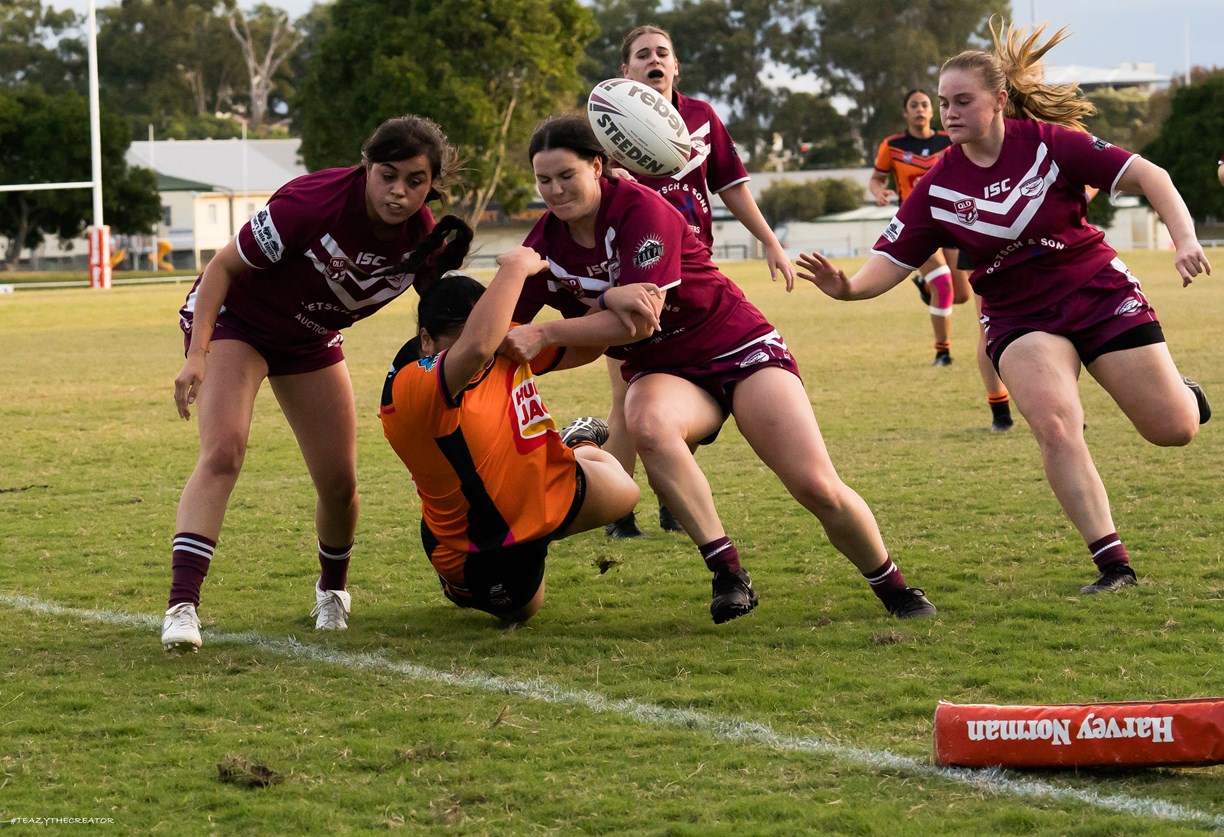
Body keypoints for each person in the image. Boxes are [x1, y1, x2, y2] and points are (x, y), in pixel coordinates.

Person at [797, 19, 1212, 596]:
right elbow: (885, 267)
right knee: (1057, 427)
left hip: (1096, 291)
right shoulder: (937, 187)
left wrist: (1186, 239)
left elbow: (1150, 175)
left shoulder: (1048, 141)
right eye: (944, 102)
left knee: (1174, 430)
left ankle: (1183, 393)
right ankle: (1113, 564)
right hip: (1020, 318)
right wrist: (845, 288)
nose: (950, 113)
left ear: (999, 101)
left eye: (963, 100)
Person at [504, 114, 937, 624]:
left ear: (597, 166)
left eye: (566, 176)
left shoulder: (642, 209)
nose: (554, 190)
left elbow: (639, 324)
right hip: (666, 368)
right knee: (646, 423)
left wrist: (551, 332)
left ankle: (893, 586)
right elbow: (510, 321)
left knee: (815, 485)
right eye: (544, 180)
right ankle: (728, 572)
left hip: (736, 344)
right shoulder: (544, 243)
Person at [161, 114, 470, 653]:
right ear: (367, 167)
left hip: (309, 339)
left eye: (415, 181)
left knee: (339, 481)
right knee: (225, 450)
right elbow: (221, 269)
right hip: (239, 322)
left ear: (432, 184)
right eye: (387, 175)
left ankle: (333, 592)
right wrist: (197, 354)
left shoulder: (422, 238)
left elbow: (442, 320)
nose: (399, 192)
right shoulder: (313, 204)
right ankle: (182, 605)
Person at [599, 24, 799, 538]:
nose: (653, 60)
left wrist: (770, 241)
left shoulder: (701, 118)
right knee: (627, 398)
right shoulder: (607, 127)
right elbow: (586, 192)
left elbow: (731, 186)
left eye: (662, 52)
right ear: (626, 71)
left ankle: (672, 494)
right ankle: (617, 507)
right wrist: (609, 179)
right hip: (633, 275)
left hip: (696, 276)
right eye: (641, 55)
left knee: (681, 389)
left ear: (677, 64)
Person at [378, 249, 643, 622]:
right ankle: (457, 586)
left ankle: (574, 445)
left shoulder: (497, 339)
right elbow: (477, 347)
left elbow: (584, 348)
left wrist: (604, 300)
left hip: (539, 489)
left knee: (626, 492)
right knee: (523, 610)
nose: (486, 352)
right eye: (464, 336)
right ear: (426, 340)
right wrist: (517, 266)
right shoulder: (411, 385)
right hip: (476, 545)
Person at [872, 89, 1014, 432]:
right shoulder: (891, 145)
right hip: (919, 223)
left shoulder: (953, 140)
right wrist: (880, 191)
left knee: (961, 293)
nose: (921, 110)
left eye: (925, 104)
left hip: (957, 221)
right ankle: (943, 350)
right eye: (914, 105)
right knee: (944, 285)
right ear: (906, 113)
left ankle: (925, 287)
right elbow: (877, 178)